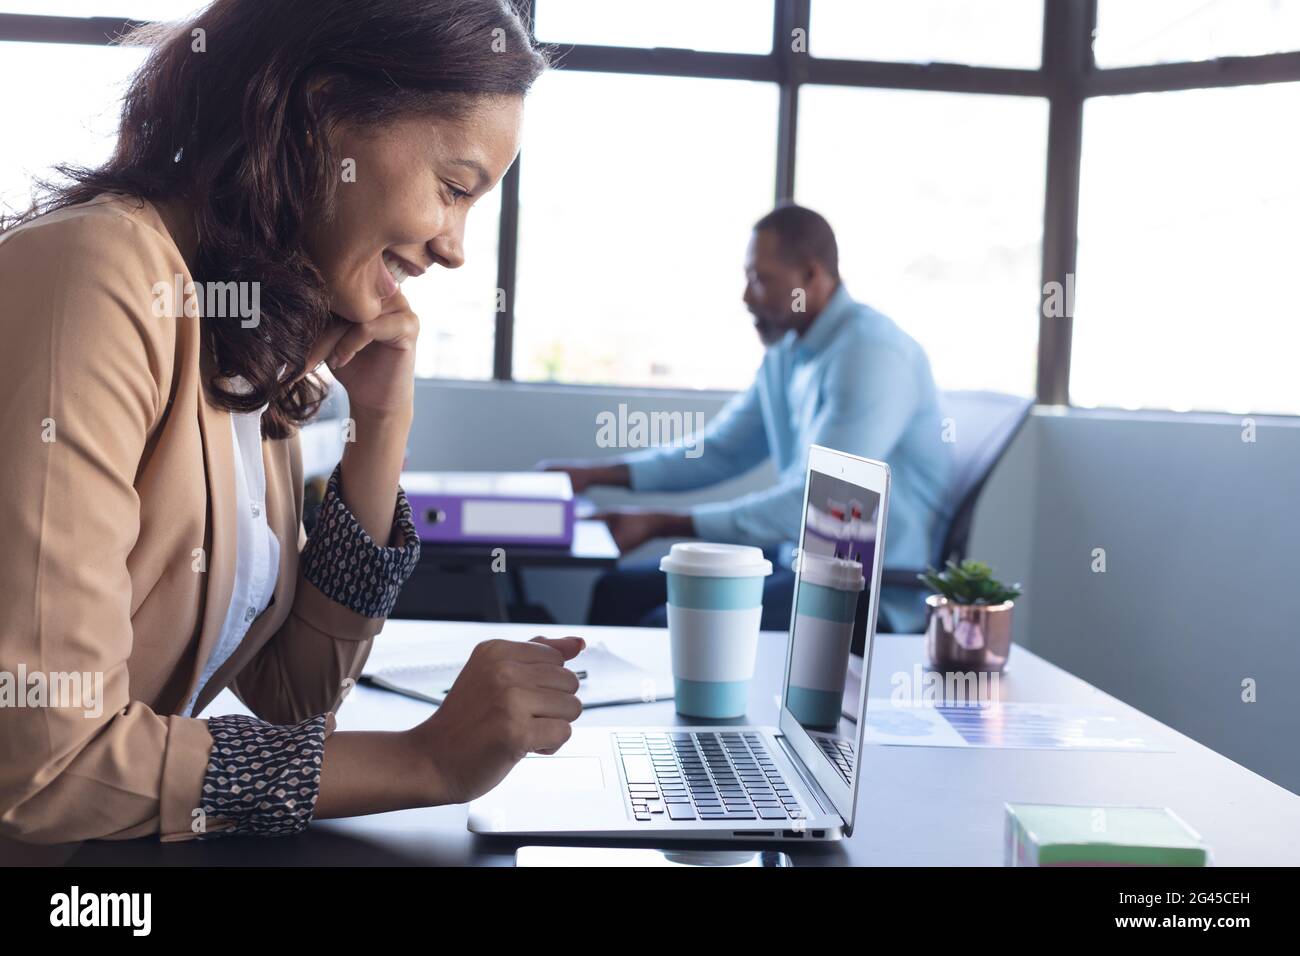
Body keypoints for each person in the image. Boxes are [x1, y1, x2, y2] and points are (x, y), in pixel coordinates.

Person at [0, 0, 584, 847]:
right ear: (322, 113)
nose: (456, 246)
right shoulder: (102, 274)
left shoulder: (246, 326)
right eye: (454, 188)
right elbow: (45, 763)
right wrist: (426, 760)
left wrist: (380, 423)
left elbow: (295, 693)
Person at [547, 205, 951, 635]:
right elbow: (722, 451)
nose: (746, 297)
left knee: (667, 625)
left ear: (810, 277)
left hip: (864, 590)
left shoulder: (873, 355)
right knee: (616, 592)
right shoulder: (787, 352)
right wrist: (596, 474)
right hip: (796, 566)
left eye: (761, 280)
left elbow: (823, 508)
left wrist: (660, 522)